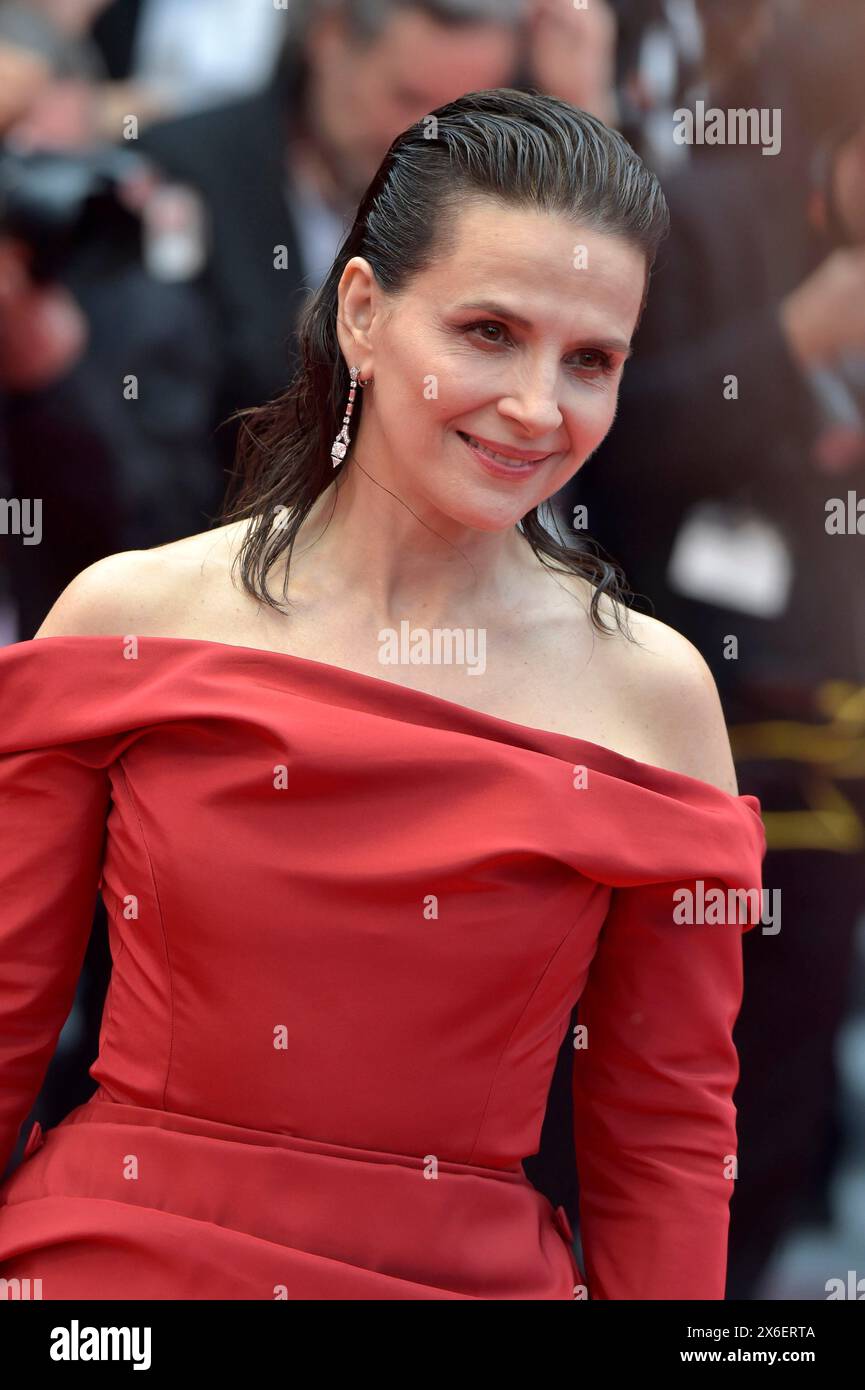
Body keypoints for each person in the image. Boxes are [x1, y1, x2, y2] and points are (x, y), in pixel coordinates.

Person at [0, 89, 766, 1301]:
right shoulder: (131, 618)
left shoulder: (655, 697)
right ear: (361, 311)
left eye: (589, 361)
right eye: (486, 331)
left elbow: (665, 1144)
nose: (534, 406)